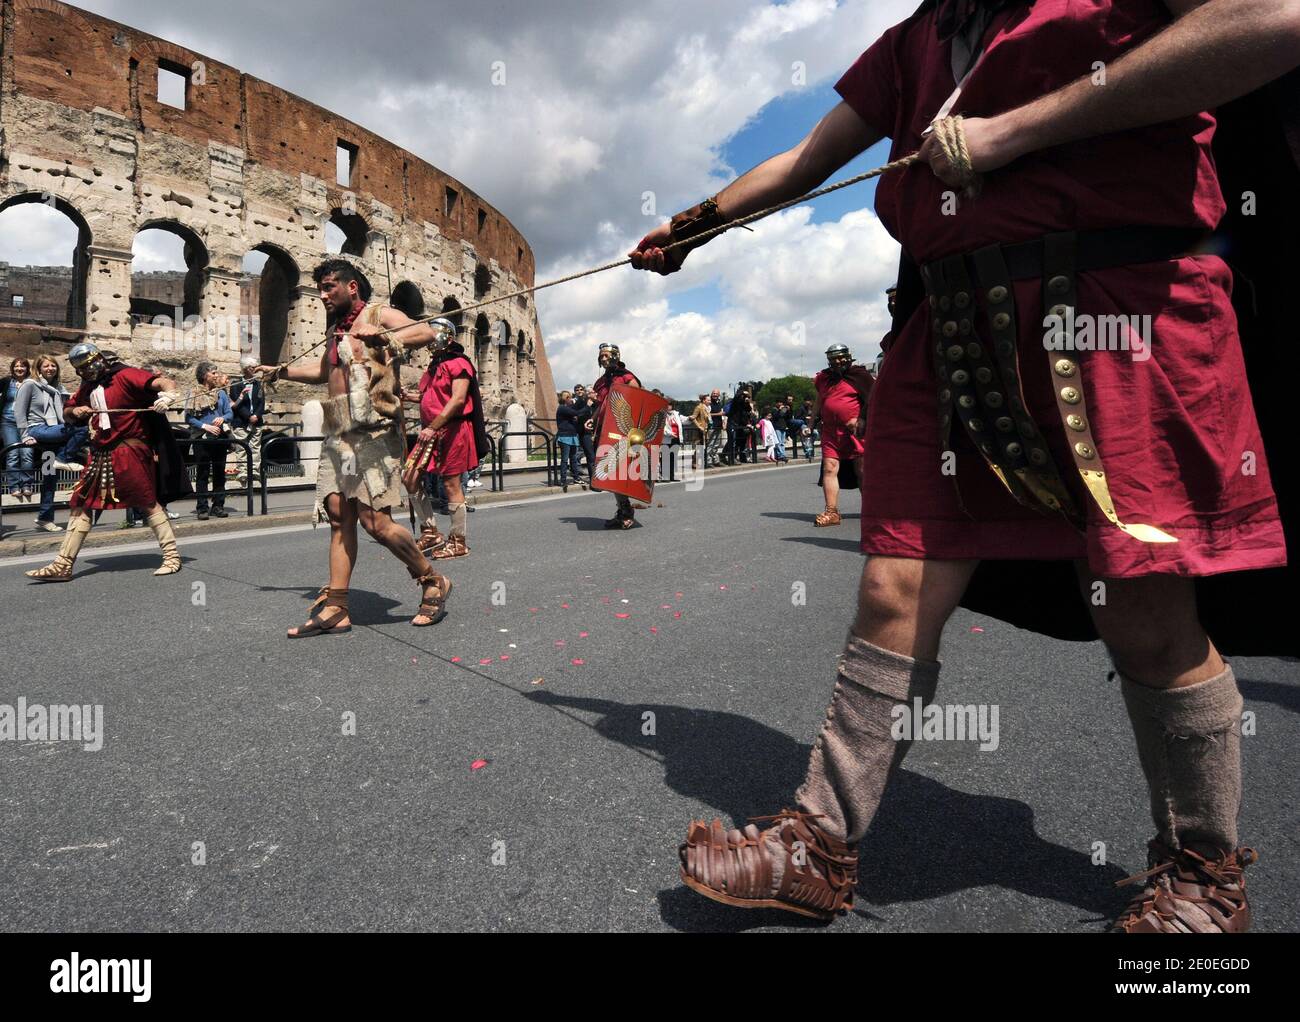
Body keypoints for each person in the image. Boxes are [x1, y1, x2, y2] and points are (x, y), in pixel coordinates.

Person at [629, 0, 1296, 929]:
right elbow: (807, 160)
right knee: (894, 589)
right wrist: (694, 225)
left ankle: (1201, 871)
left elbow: (1275, 20)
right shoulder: (913, 40)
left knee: (1144, 605)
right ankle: (817, 843)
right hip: (949, 333)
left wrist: (1011, 131)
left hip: (1117, 311)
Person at [257, 259, 455, 633]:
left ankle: (432, 580)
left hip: (374, 431)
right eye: (320, 287)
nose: (322, 294)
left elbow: (426, 333)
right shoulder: (336, 329)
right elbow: (323, 372)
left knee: (375, 522)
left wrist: (385, 338)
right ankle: (337, 606)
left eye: (330, 286)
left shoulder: (378, 313)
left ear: (352, 288)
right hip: (339, 432)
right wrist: (279, 371)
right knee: (338, 517)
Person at [25, 343, 189, 581]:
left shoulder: (126, 374)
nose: (87, 372)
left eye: (89, 366)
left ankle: (172, 556)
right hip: (100, 453)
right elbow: (67, 411)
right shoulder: (88, 385)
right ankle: (63, 564)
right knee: (81, 503)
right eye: (82, 370)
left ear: (99, 359)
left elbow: (164, 383)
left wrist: (168, 396)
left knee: (146, 501)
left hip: (129, 450)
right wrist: (77, 411)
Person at [410, 330, 484, 560]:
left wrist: (433, 426)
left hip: (451, 430)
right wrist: (406, 395)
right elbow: (430, 396)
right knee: (409, 476)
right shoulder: (435, 366)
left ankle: (458, 541)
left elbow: (458, 399)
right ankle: (431, 531)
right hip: (431, 430)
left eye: (434, 337)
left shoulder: (459, 363)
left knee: (451, 484)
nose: (430, 342)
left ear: (448, 338)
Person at [15, 355, 88, 532]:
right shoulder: (29, 384)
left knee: (50, 477)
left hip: (53, 433)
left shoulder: (58, 388)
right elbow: (19, 411)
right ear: (38, 369)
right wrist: (24, 435)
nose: (50, 368)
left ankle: (44, 518)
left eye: (53, 366)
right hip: (38, 430)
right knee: (81, 429)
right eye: (46, 366)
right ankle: (64, 458)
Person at [810, 344, 874, 527]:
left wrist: (862, 419)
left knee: (862, 470)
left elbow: (874, 398)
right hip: (830, 431)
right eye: (833, 359)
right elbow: (819, 400)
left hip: (855, 431)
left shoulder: (860, 376)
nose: (837, 361)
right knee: (829, 468)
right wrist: (811, 422)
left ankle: (870, 510)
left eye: (840, 357)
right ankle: (832, 512)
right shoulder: (823, 378)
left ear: (848, 357)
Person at [589, 343, 642, 529]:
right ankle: (622, 511)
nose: (603, 359)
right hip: (605, 430)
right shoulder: (602, 382)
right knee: (612, 473)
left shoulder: (626, 377)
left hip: (623, 430)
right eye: (600, 356)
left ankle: (626, 512)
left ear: (615, 356)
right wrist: (592, 419)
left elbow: (638, 400)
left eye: (606, 355)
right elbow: (601, 405)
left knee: (619, 471)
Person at [187, 362, 233, 521]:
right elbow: (189, 418)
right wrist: (205, 426)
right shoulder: (193, 393)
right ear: (204, 375)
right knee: (203, 473)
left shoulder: (221, 393)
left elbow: (229, 413)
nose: (216, 375)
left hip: (219, 437)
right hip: (202, 438)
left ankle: (218, 506)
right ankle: (202, 508)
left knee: (220, 472)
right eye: (213, 372)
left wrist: (223, 418)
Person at [228, 355, 265, 487]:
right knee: (241, 447)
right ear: (245, 369)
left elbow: (262, 402)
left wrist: (257, 415)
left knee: (255, 447)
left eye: (255, 367)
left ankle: (254, 472)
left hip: (257, 421)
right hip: (241, 421)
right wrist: (248, 416)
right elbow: (236, 405)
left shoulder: (259, 384)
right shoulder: (236, 385)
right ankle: (243, 474)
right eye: (252, 367)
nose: (255, 370)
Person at [1, 357, 35, 501]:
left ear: (27, 368)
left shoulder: (32, 383)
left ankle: (26, 485)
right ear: (12, 368)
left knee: (27, 453)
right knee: (13, 453)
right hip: (7, 420)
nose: (19, 369)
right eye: (16, 366)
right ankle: (14, 487)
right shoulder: (6, 382)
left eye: (22, 366)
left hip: (27, 423)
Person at [555, 390, 587, 491]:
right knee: (565, 459)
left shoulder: (567, 408)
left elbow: (575, 413)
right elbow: (576, 412)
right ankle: (563, 480)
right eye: (569, 397)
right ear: (565, 399)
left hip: (572, 436)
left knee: (573, 458)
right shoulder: (562, 408)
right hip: (565, 437)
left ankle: (576, 478)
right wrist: (587, 406)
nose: (571, 399)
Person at [572, 383, 597, 481]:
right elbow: (576, 415)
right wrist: (587, 407)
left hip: (595, 433)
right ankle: (593, 480)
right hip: (585, 433)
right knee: (590, 456)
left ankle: (598, 478)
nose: (595, 394)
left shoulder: (596, 403)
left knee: (595, 456)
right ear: (587, 393)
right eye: (592, 392)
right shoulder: (580, 402)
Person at [706, 388, 725, 467]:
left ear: (718, 395)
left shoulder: (718, 403)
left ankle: (715, 460)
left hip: (718, 426)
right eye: (713, 393)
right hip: (712, 426)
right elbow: (707, 414)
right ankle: (708, 461)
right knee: (710, 444)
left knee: (717, 444)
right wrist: (719, 414)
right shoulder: (709, 403)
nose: (715, 395)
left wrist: (723, 422)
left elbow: (721, 414)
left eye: (716, 394)